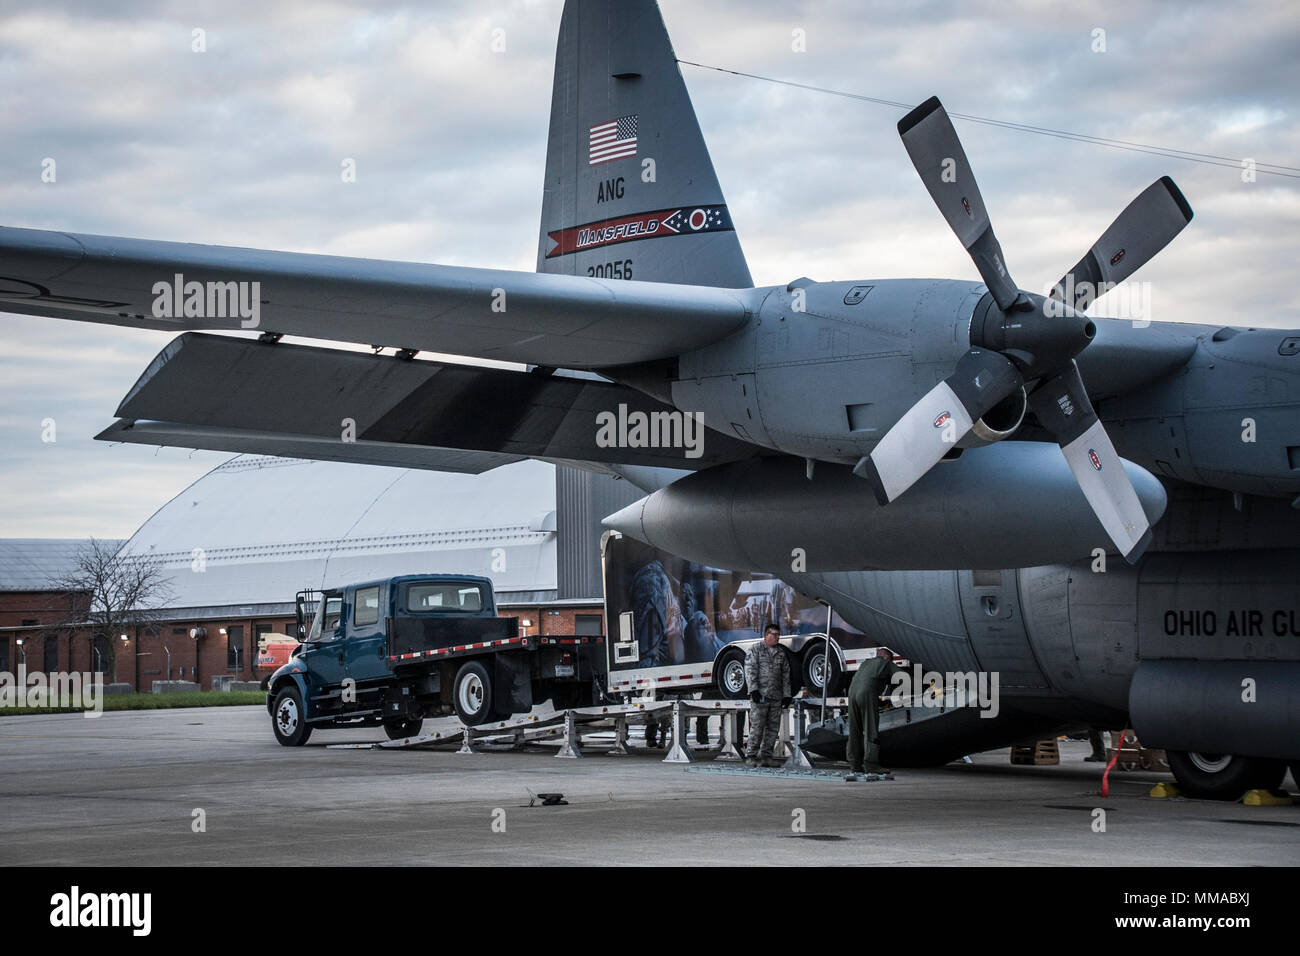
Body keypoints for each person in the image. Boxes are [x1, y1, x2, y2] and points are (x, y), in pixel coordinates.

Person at [847, 647, 902, 776]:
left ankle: (854, 765)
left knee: (854, 730)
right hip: (866, 693)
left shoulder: (865, 663)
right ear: (887, 657)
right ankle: (871, 765)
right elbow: (902, 677)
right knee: (870, 729)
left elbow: (870, 680)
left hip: (852, 693)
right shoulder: (886, 663)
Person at [744, 624, 792, 767]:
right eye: (775, 634)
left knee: (773, 729)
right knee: (757, 727)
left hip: (775, 696)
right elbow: (750, 670)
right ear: (767, 635)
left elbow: (785, 675)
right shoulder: (756, 650)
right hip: (761, 696)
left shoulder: (780, 653)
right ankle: (751, 756)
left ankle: (767, 756)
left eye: (779, 635)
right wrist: (753, 690)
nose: (777, 637)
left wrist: (787, 695)